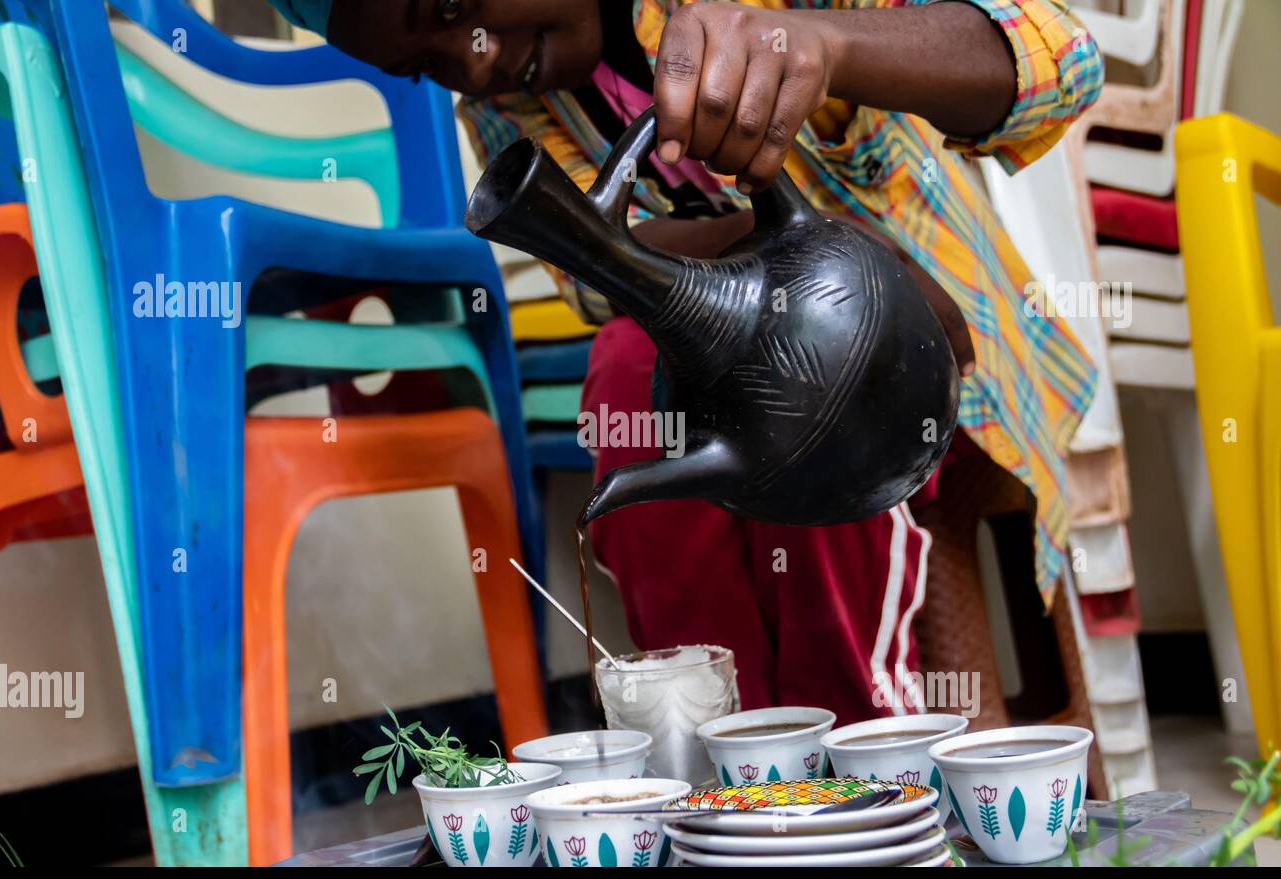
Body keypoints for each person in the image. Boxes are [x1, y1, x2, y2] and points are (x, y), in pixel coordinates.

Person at [267, 0, 1102, 722]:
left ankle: (858, 755)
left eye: (450, 7)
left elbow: (1062, 58)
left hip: (943, 355)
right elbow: (593, 279)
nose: (470, 60)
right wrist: (749, 243)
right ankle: (732, 768)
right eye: (424, 64)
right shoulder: (510, 101)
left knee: (804, 368)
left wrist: (822, 44)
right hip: (763, 366)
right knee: (635, 368)